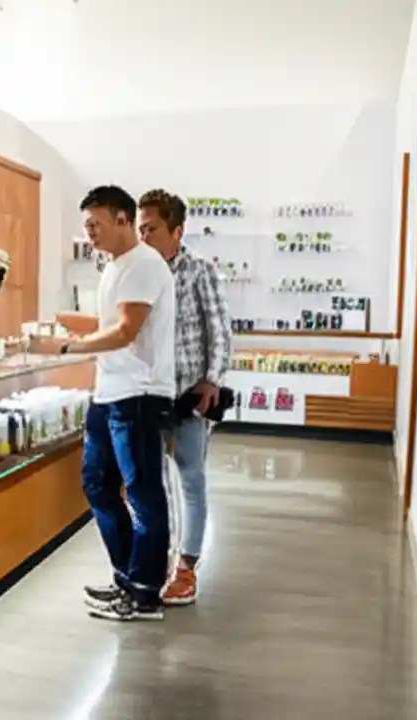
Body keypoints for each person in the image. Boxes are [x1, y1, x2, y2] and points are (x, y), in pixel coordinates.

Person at [39, 185, 176, 622]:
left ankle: (146, 592)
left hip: (137, 395)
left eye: (96, 224)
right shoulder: (115, 267)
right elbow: (107, 325)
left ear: (123, 220)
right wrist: (57, 331)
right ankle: (128, 576)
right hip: (110, 392)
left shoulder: (143, 265)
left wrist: (64, 350)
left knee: (142, 494)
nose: (90, 233)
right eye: (86, 226)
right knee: (97, 483)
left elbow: (123, 332)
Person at [137, 189, 232, 606]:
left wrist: (211, 380)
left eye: (153, 229)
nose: (145, 237)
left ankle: (187, 568)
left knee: (191, 480)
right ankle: (157, 562)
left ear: (177, 230)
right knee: (153, 486)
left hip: (190, 398)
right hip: (147, 396)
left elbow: (220, 330)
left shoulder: (199, 272)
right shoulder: (137, 272)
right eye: (140, 229)